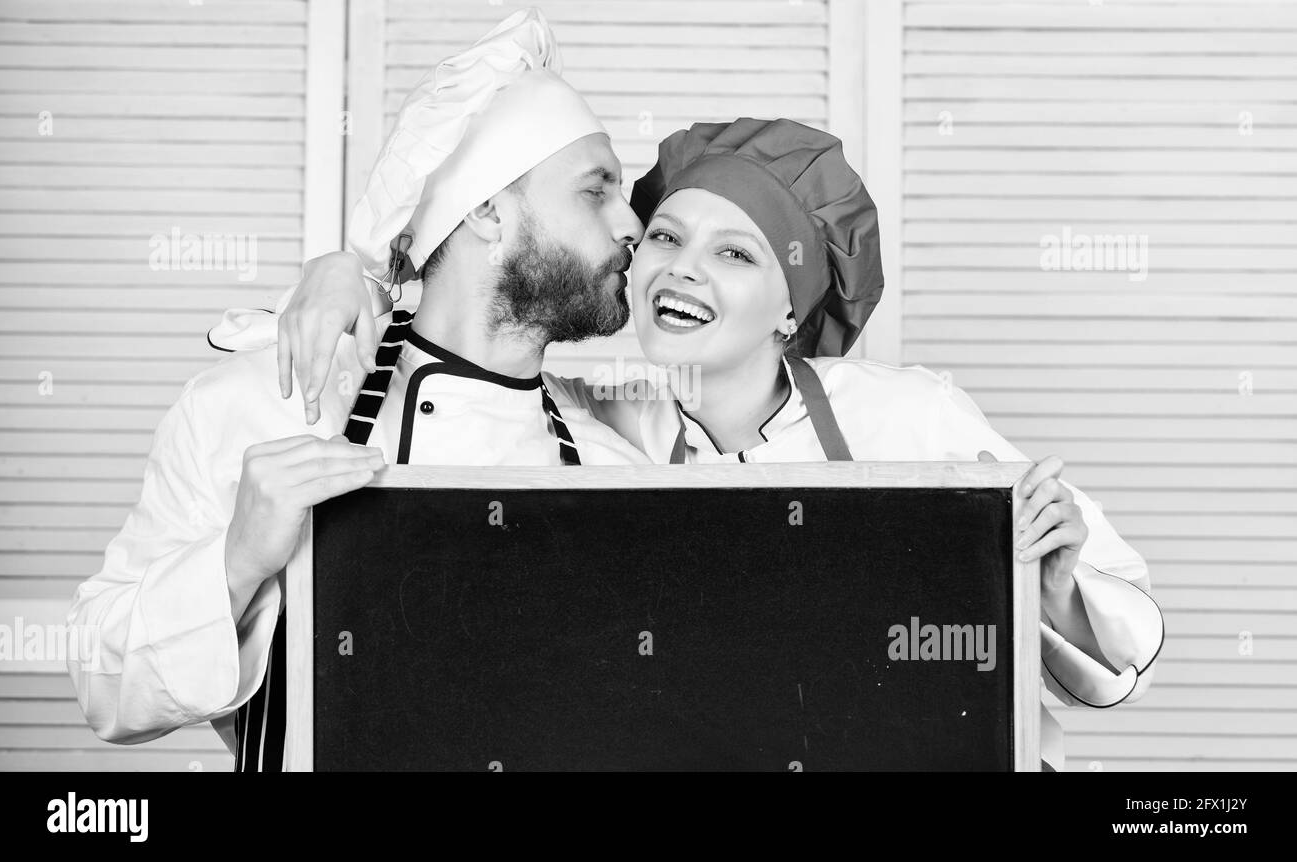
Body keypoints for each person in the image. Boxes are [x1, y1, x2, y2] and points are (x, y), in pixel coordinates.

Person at [240, 118, 1164, 772]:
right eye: (669, 237)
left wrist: (1049, 589)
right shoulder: (600, 420)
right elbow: (468, 335)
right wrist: (348, 267)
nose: (681, 266)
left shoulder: (910, 417)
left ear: (794, 310)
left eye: (735, 253)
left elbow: (1108, 671)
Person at [66, 8, 651, 772]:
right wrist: (237, 560)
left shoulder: (619, 474)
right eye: (597, 190)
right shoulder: (266, 405)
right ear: (486, 212)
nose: (631, 221)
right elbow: (102, 689)